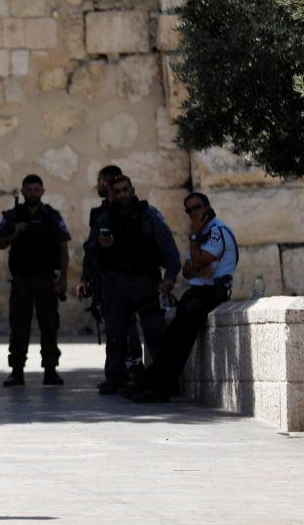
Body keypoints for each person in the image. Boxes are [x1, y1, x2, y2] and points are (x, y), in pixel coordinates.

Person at [128, 193, 238, 403]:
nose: (193, 213)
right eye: (189, 210)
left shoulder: (215, 232)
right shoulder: (203, 233)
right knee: (172, 339)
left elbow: (195, 261)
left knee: (178, 341)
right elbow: (187, 270)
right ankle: (152, 383)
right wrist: (197, 266)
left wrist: (195, 239)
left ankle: (160, 386)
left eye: (197, 208)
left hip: (210, 293)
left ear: (207, 207)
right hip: (196, 292)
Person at [84, 175, 180, 396]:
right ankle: (116, 378)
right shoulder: (105, 218)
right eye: (117, 191)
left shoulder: (149, 215)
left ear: (133, 190)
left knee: (155, 332)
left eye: (125, 190)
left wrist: (171, 276)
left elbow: (169, 248)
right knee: (116, 335)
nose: (122, 195)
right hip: (115, 283)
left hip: (144, 282)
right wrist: (99, 244)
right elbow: (89, 248)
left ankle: (165, 379)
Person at [0, 174, 70, 386]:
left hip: (46, 279)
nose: (33, 193)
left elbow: (63, 248)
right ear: (23, 191)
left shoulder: (51, 216)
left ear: (42, 191)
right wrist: (14, 234)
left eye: (36, 190)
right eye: (29, 190)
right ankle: (17, 371)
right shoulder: (13, 216)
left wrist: (63, 279)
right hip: (21, 280)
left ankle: (51, 370)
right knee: (19, 326)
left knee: (49, 325)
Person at [77, 165, 145, 376]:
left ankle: (133, 364)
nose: (96, 185)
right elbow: (91, 248)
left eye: (99, 181)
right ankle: (117, 372)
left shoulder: (140, 212)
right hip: (107, 276)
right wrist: (85, 276)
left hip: (131, 276)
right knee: (115, 324)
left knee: (128, 321)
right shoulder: (102, 214)